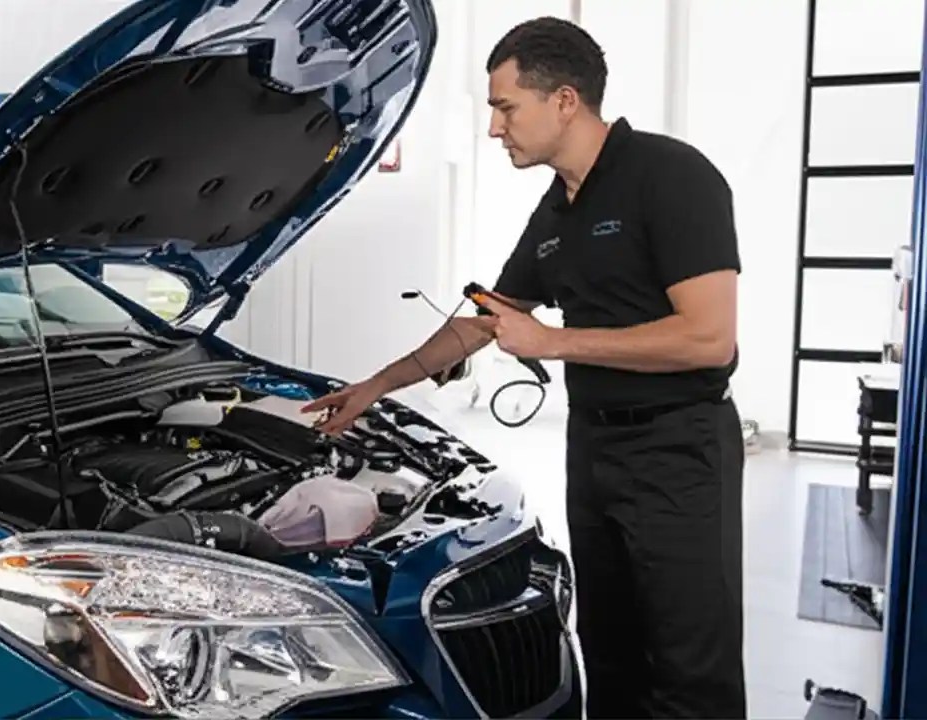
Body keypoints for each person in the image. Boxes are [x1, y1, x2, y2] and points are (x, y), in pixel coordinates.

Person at [302, 15, 746, 720]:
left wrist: (554, 342)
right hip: (595, 447)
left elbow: (708, 339)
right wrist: (376, 387)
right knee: (610, 650)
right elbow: (486, 318)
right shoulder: (558, 208)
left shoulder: (672, 176)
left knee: (689, 664)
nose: (494, 128)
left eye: (505, 107)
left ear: (564, 100)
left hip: (678, 449)